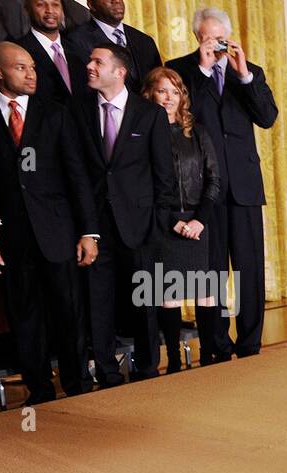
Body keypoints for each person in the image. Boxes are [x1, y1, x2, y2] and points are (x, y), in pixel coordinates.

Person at [0, 41, 97, 403]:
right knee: (26, 317)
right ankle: (40, 390)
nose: (31, 74)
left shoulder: (55, 113)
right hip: (10, 237)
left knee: (70, 313)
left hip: (58, 232)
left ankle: (78, 386)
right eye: (21, 68)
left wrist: (88, 232)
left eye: (32, 67)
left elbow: (77, 175)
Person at [167, 6, 278, 362]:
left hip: (245, 187)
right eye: (208, 38)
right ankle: (215, 346)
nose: (215, 45)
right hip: (203, 190)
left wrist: (244, 76)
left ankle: (250, 344)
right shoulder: (181, 71)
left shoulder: (249, 71)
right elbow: (182, 116)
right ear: (197, 38)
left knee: (249, 270)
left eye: (220, 38)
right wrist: (202, 72)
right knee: (209, 272)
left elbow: (267, 117)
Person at [76, 42, 176, 384]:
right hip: (96, 227)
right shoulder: (78, 111)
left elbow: (164, 175)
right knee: (98, 301)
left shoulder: (150, 114)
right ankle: (107, 373)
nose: (89, 66)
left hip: (141, 226)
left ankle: (147, 369)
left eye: (97, 61)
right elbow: (79, 173)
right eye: (90, 60)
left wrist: (158, 224)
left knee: (144, 302)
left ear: (119, 72)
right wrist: (85, 227)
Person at [143, 66, 220, 375]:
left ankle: (209, 356)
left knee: (205, 291)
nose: (169, 98)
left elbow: (214, 179)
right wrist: (172, 221)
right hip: (165, 224)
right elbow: (142, 186)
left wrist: (199, 220)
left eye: (175, 92)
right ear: (150, 94)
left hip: (198, 223)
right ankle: (173, 362)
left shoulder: (197, 132)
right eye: (162, 91)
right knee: (169, 295)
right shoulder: (142, 133)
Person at [63, 0, 159, 91]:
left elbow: (158, 82)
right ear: (91, 4)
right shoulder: (75, 40)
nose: (116, 1)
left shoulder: (145, 41)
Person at [16, 0, 81, 104]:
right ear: (27, 10)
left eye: (55, 5)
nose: (50, 10)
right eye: (40, 5)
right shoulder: (18, 51)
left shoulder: (77, 49)